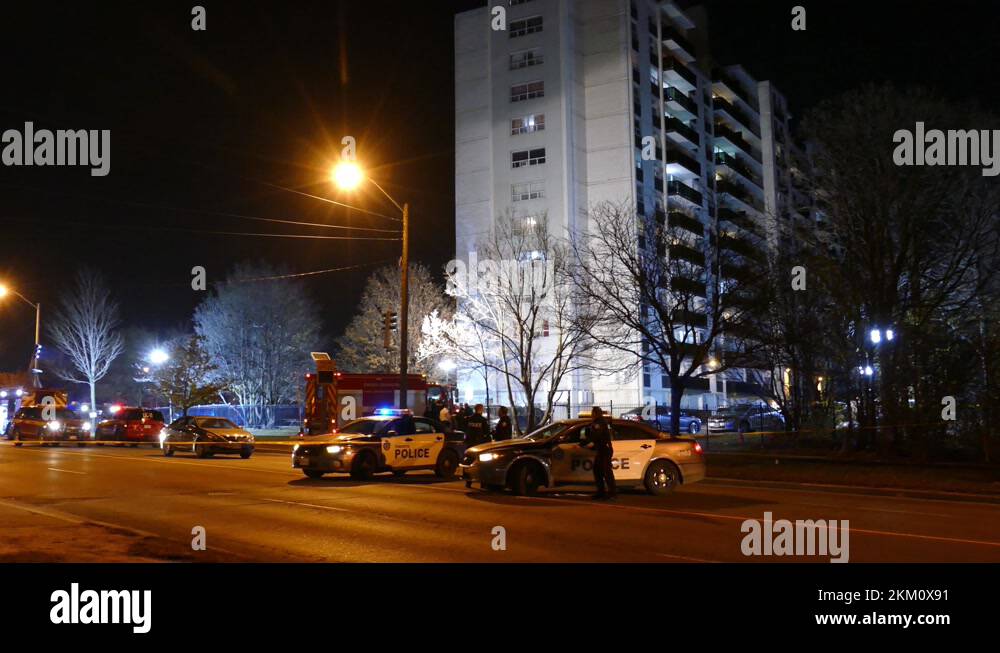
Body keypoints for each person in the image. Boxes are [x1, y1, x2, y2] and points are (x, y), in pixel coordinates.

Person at [582, 406, 616, 500]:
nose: (591, 415)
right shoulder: (597, 422)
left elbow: (597, 435)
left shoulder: (600, 423)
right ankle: (601, 492)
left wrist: (586, 442)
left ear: (596, 413)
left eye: (593, 413)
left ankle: (612, 493)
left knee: (606, 471)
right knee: (597, 471)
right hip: (601, 449)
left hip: (604, 449)